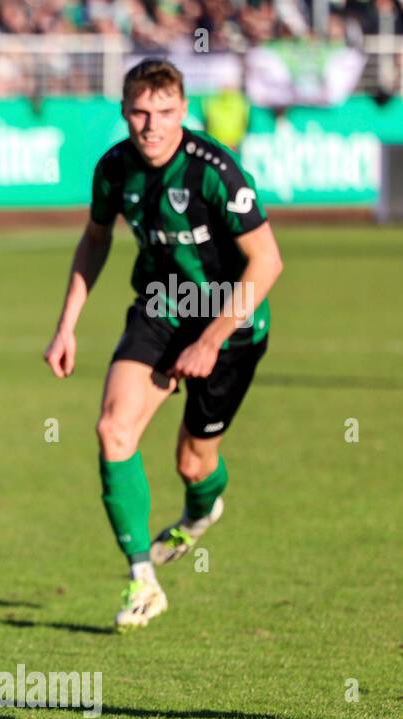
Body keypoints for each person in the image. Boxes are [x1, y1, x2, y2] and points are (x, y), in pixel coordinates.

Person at [42, 59, 283, 632]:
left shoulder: (214, 170)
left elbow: (267, 261)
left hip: (232, 324)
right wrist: (67, 323)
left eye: (165, 113)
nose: (151, 125)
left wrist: (212, 338)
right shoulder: (113, 169)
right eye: (140, 112)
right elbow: (95, 238)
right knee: (112, 430)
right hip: (160, 309)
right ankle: (142, 580)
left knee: (193, 464)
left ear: (183, 111)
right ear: (124, 111)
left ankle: (200, 513)